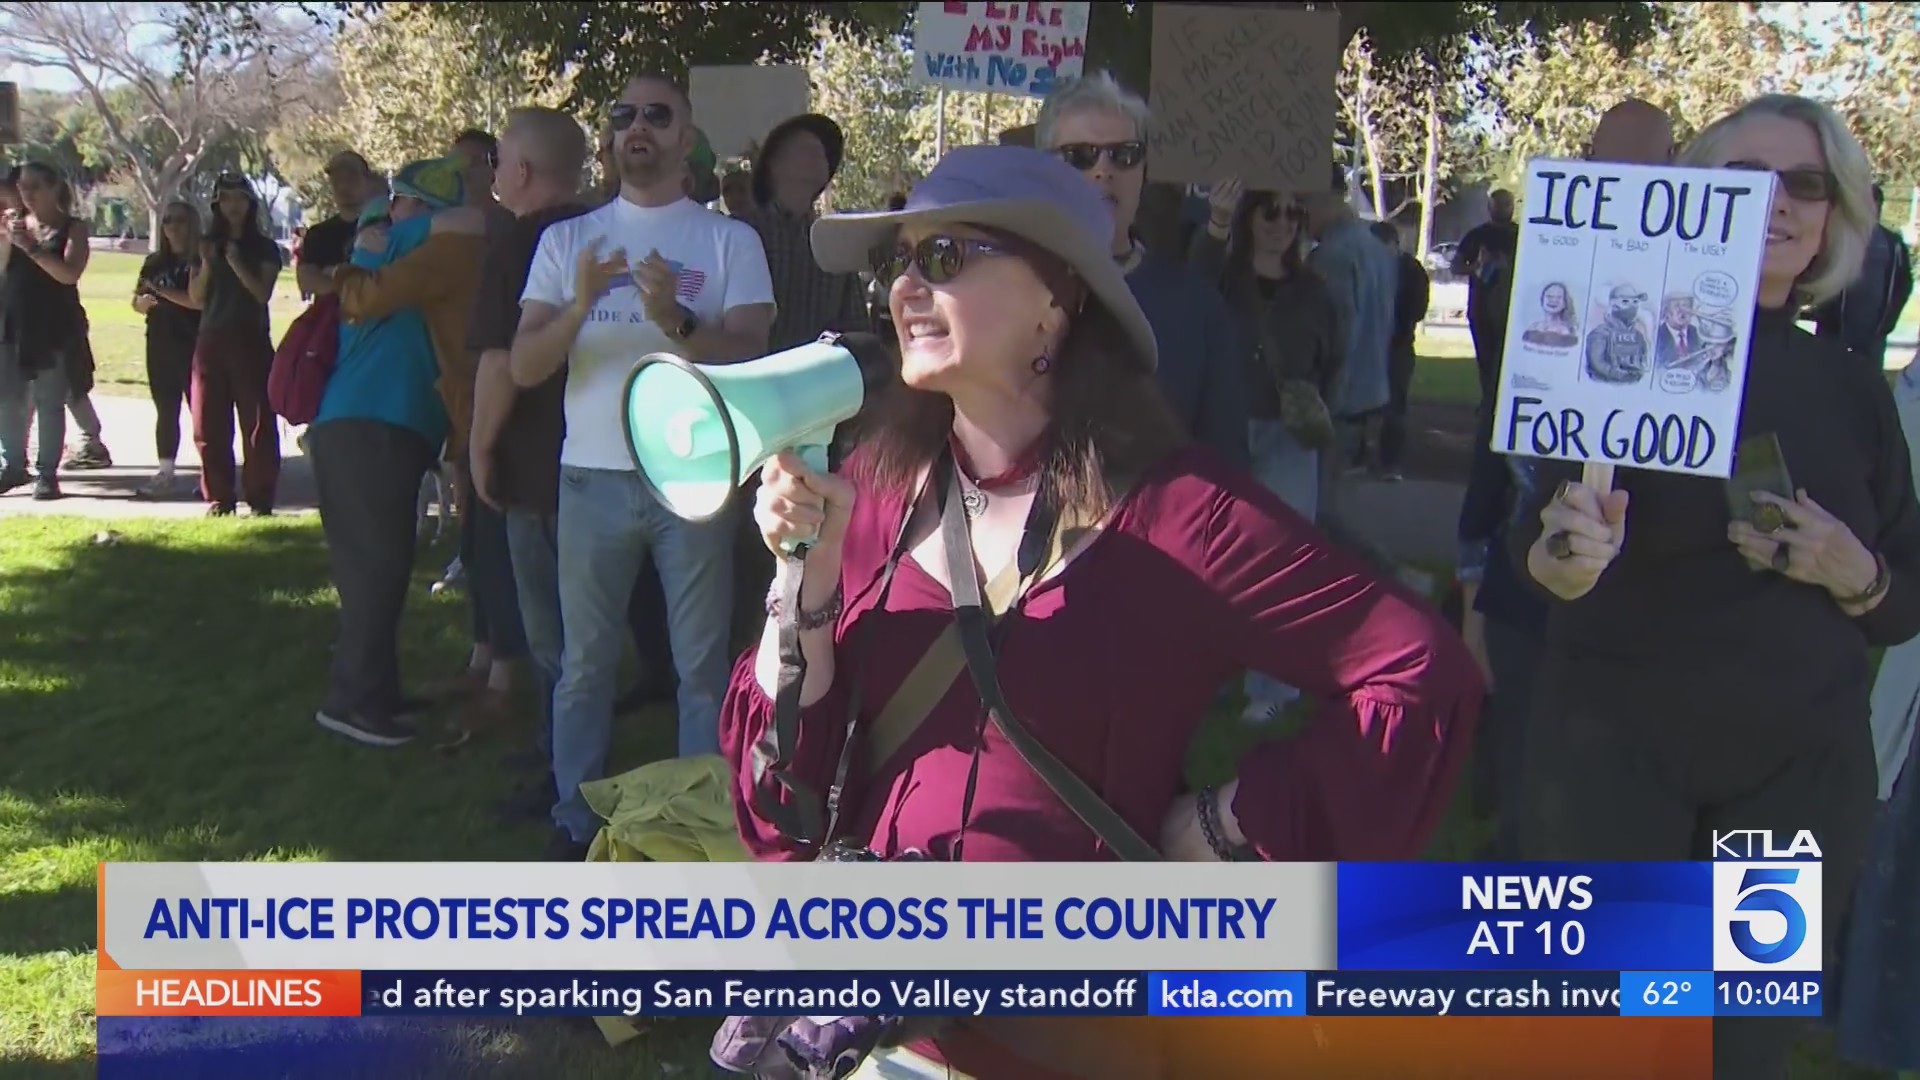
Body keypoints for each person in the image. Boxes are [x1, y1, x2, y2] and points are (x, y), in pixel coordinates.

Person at [719, 143, 1480, 1077]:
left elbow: (1418, 672)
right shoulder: (877, 488)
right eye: (897, 263)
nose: (907, 287)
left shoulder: (1183, 515)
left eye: (945, 257)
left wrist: (1229, 826)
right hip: (871, 1032)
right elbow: (780, 804)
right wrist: (805, 577)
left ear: (1057, 297)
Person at [1515, 93, 1917, 1080]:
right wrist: (1572, 558)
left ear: (1837, 215)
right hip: (1615, 765)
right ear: (1693, 198)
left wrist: (1852, 573)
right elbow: (1547, 554)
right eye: (1747, 180)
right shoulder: (1618, 353)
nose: (1778, 203)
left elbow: (1906, 599)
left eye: (1807, 184)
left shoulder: (1857, 389)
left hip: (1796, 782)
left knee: (1737, 1052)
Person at [510, 74, 775, 859]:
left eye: (657, 116)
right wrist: (579, 306)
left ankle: (692, 823)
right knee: (584, 665)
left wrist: (676, 320)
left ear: (685, 133)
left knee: (700, 668)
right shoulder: (568, 242)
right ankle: (574, 819)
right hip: (590, 477)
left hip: (693, 475)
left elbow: (751, 351)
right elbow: (526, 364)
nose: (637, 128)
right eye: (623, 115)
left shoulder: (729, 240)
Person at [309, 156, 488, 747]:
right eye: (400, 203)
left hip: (382, 425)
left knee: (384, 565)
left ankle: (376, 693)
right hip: (366, 423)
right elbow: (470, 222)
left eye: (406, 202)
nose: (397, 212)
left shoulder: (390, 249)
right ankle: (351, 701)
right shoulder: (398, 238)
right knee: (374, 569)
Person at [1187, 178, 1342, 721]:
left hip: (1288, 436)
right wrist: (1218, 222)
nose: (1281, 223)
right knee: (1217, 564)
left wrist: (1317, 413)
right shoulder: (1224, 279)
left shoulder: (1314, 290)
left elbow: (1332, 360)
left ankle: (1273, 689)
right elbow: (1191, 289)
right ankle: (1211, 675)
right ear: (1252, 217)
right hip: (1226, 430)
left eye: (1293, 213)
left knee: (1283, 565)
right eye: (1271, 212)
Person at [1035, 72, 1247, 468]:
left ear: (1143, 171)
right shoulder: (1005, 294)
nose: (1103, 171)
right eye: (1080, 156)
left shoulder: (1197, 307)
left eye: (1124, 155)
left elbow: (1226, 462)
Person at [188, 173, 284, 516]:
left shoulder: (264, 248)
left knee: (257, 422)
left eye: (239, 198)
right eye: (225, 198)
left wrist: (234, 260)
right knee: (208, 423)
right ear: (216, 203)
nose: (232, 206)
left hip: (250, 338)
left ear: (250, 203)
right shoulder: (205, 244)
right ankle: (219, 497)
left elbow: (262, 293)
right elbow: (196, 297)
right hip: (210, 338)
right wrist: (210, 264)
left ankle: (260, 497)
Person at [0, 162, 92, 500]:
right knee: (8, 401)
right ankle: (12, 466)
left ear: (55, 188)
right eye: (23, 186)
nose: (27, 193)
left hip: (53, 326)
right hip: (12, 324)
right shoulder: (15, 226)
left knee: (49, 401)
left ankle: (47, 474)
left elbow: (68, 274)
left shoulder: (72, 228)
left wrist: (31, 247)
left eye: (36, 186)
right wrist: (9, 239)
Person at [132, 200, 204, 499]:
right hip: (160, 342)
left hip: (193, 342)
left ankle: (210, 475)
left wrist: (159, 291)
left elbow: (195, 300)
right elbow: (137, 301)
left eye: (181, 220)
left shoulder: (201, 260)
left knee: (201, 411)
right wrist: (142, 303)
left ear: (193, 224)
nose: (173, 227)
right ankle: (165, 472)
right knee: (165, 408)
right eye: (168, 221)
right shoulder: (154, 262)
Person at [1814, 182, 1913, 373]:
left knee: (1867, 382)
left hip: (1873, 330)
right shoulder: (1838, 238)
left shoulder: (1893, 244)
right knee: (1824, 377)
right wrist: (1824, 312)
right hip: (1835, 327)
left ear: (1878, 205)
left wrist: (1888, 320)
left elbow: (1903, 285)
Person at [1452, 189, 1519, 403]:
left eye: (1507, 204)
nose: (1502, 209)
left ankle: (1504, 403)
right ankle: (1488, 403)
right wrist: (1479, 268)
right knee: (1486, 363)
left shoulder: (1523, 235)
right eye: (1498, 204)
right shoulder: (1477, 236)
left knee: (1509, 364)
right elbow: (1456, 266)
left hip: (1513, 312)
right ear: (1489, 207)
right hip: (1482, 311)